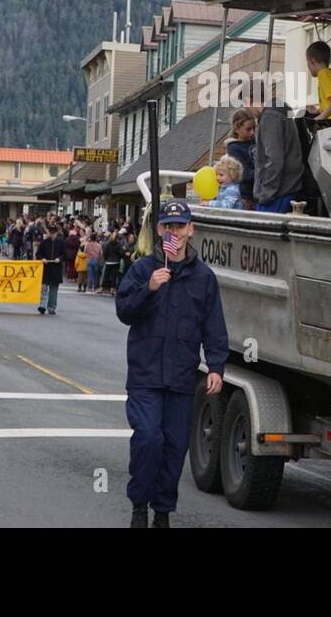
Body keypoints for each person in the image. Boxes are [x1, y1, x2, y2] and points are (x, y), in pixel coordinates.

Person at [115, 200, 228, 528]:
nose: (173, 232)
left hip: (181, 378)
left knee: (174, 448)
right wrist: (149, 288)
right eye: (167, 226)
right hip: (145, 375)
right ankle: (139, 505)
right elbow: (124, 311)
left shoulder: (204, 278)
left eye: (180, 226)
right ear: (159, 230)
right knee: (148, 439)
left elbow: (214, 326)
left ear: (191, 230)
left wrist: (217, 366)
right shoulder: (142, 270)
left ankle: (162, 511)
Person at [253, 85, 303, 213]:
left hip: (278, 193)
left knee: (263, 230)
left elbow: (274, 160)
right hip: (283, 189)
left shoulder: (270, 118)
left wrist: (266, 194)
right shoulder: (279, 113)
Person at [225, 108, 258, 209]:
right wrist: (265, 173)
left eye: (254, 128)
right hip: (246, 198)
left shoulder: (255, 142)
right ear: (237, 129)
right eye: (248, 129)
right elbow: (244, 174)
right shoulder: (234, 148)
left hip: (258, 194)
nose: (252, 132)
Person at [304, 40, 331, 124]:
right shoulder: (330, 73)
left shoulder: (324, 75)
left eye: (307, 61)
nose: (307, 65)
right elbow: (330, 102)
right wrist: (318, 111)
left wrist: (320, 117)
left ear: (312, 61)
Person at [37, 228, 64, 314]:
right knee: (44, 288)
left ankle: (51, 307)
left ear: (56, 233)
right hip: (46, 268)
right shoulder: (44, 242)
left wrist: (59, 259)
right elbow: (38, 253)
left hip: (56, 269)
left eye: (53, 233)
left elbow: (64, 254)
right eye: (50, 233)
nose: (52, 235)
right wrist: (42, 258)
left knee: (53, 290)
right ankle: (42, 306)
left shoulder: (61, 243)